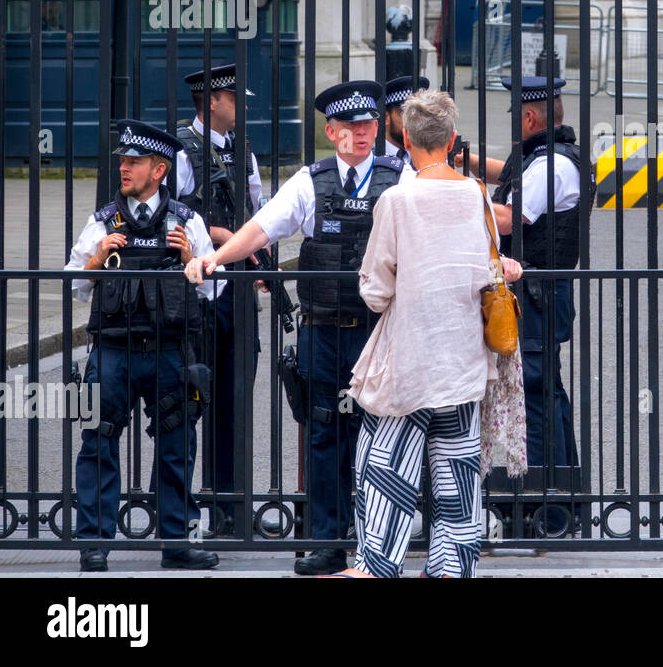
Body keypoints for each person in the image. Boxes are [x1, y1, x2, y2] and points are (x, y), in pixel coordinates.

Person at [186, 79, 414, 575]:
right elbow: (262, 227)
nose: (362, 134)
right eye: (351, 127)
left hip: (380, 331)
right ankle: (329, 542)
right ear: (331, 132)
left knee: (381, 436)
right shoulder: (311, 182)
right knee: (324, 433)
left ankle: (376, 544)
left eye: (369, 125)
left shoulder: (402, 179)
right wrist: (216, 259)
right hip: (324, 330)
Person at [334, 90, 523, 578]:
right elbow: (485, 265)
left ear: (407, 139)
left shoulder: (397, 200)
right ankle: (452, 567)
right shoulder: (477, 194)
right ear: (452, 139)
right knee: (456, 473)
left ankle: (378, 565)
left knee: (385, 467)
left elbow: (376, 290)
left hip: (411, 356)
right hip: (463, 354)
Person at [68, 119, 223, 572]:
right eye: (122, 161)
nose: (124, 168)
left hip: (170, 351)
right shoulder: (101, 221)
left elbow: (214, 290)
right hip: (113, 352)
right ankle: (94, 543)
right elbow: (74, 284)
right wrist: (97, 259)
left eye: (134, 162)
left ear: (159, 170)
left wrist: (192, 262)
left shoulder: (186, 221)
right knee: (99, 443)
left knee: (177, 446)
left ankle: (177, 544)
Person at [456, 76, 588, 501]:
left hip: (537, 296)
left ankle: (545, 504)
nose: (513, 121)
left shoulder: (551, 165)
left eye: (516, 115)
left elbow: (511, 218)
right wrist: (463, 161)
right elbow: (508, 174)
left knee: (535, 394)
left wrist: (451, 195)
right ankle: (559, 499)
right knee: (545, 390)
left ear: (530, 117)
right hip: (540, 295)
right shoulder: (547, 158)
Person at [174, 62, 263, 537]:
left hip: (239, 292)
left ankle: (230, 507)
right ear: (212, 102)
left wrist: (260, 259)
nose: (241, 107)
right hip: (200, 292)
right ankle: (182, 513)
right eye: (234, 100)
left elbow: (258, 210)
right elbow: (171, 216)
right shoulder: (182, 150)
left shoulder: (242, 150)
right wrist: (220, 233)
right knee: (191, 400)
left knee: (235, 400)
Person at [382, 74, 430, 166]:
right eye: (405, 113)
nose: (414, 120)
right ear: (386, 117)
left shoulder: (432, 158)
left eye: (419, 113)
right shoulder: (372, 159)